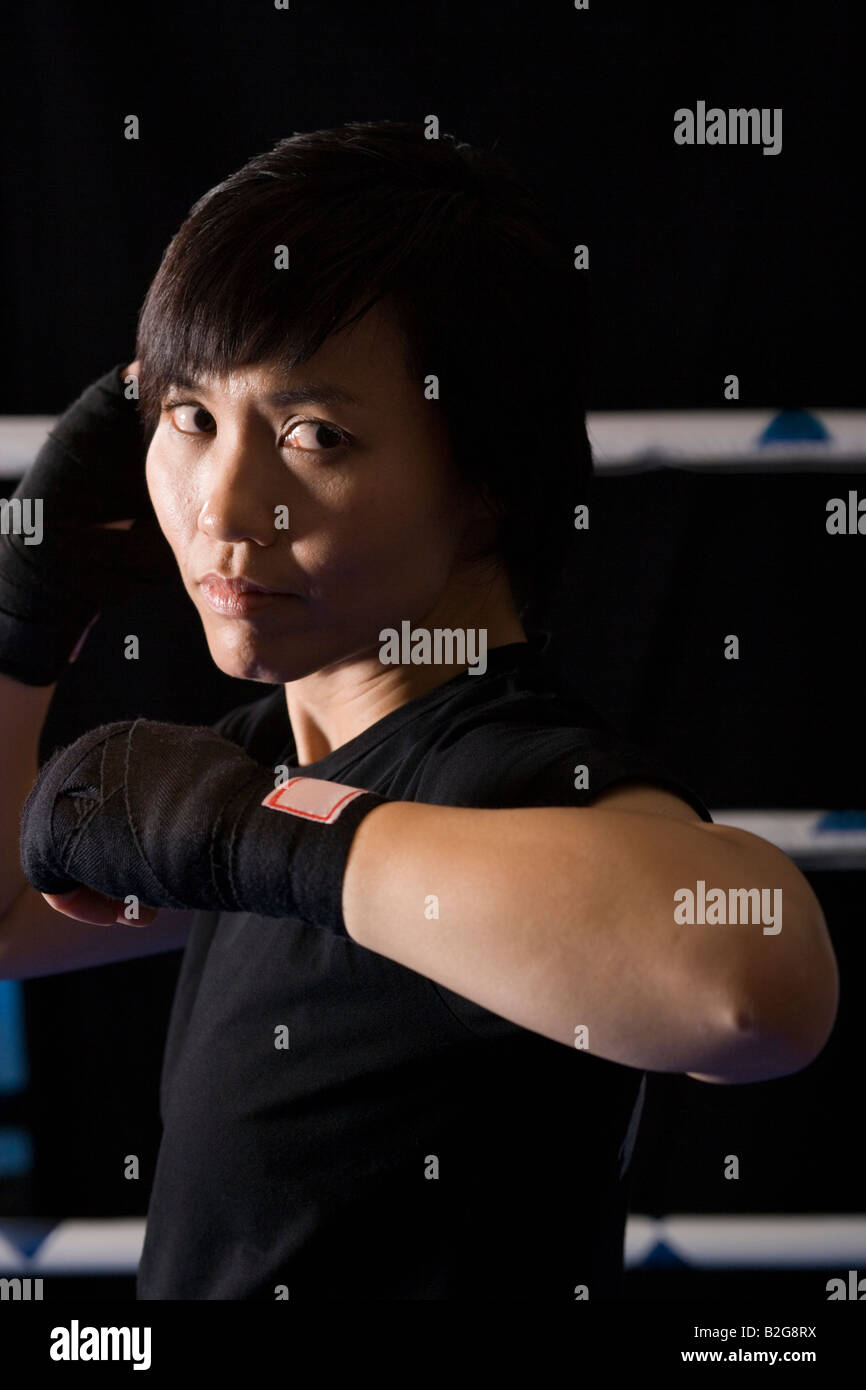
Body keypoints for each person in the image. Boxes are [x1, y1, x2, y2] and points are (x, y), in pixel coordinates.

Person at [0, 121, 838, 1300]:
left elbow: (749, 984)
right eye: (190, 417)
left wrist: (266, 834)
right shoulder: (275, 768)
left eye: (313, 435)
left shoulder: (500, 768)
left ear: (484, 482)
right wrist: (25, 609)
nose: (226, 504)